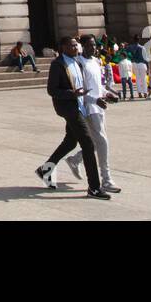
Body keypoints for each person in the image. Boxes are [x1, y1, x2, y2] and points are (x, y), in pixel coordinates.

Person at [36, 37, 108, 200]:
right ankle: (94, 188)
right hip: (68, 108)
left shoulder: (77, 62)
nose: (76, 48)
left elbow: (83, 88)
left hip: (79, 106)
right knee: (88, 143)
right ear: (63, 47)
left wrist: (96, 99)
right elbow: (52, 90)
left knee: (70, 142)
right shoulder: (58, 64)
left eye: (77, 45)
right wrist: (71, 94)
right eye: (72, 45)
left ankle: (45, 169)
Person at [64, 36, 122, 195]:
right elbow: (80, 89)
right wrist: (94, 100)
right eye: (89, 45)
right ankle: (106, 180)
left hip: (99, 105)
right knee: (102, 141)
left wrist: (108, 94)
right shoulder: (79, 63)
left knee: (97, 143)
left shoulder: (96, 61)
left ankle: (75, 160)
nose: (93, 48)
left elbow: (98, 85)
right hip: (88, 107)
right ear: (82, 46)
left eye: (94, 45)